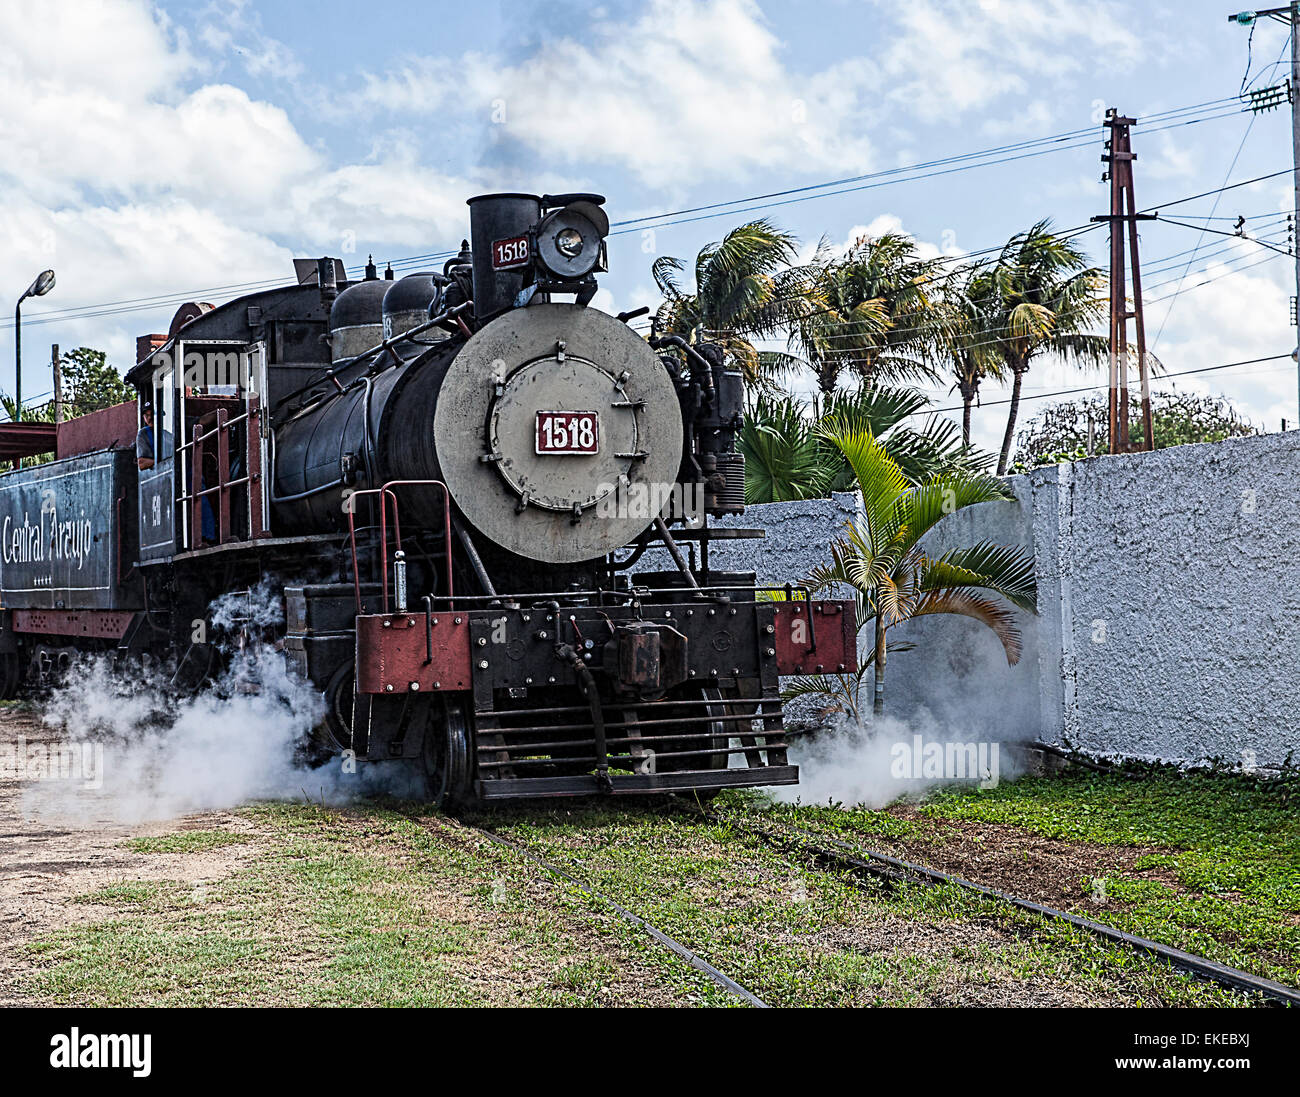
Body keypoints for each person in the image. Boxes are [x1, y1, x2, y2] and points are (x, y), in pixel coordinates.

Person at [136, 401, 155, 471]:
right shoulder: (143, 434)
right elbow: (141, 463)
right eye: (147, 415)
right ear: (143, 417)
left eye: (152, 414)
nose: (150, 418)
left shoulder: (167, 434)